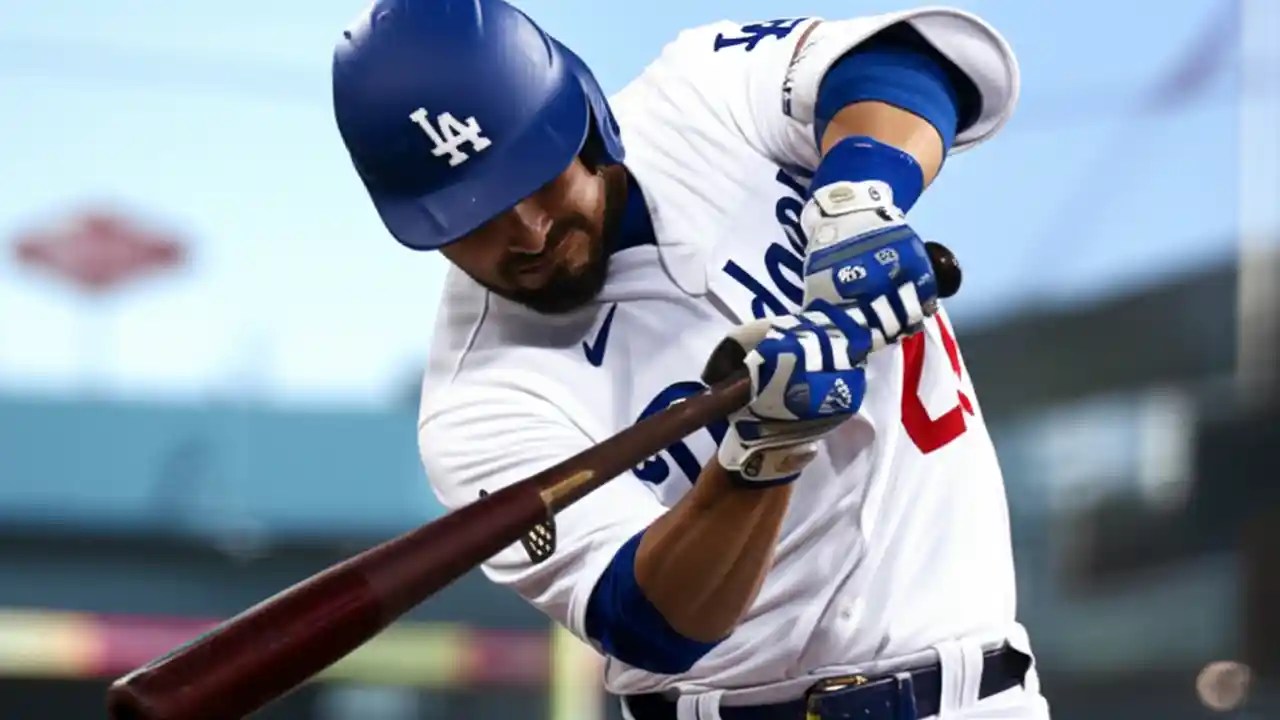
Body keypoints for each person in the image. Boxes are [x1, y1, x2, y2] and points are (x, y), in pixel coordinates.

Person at [332, 1, 1047, 718]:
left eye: (534, 177)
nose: (530, 232)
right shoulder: (477, 408)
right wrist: (761, 456)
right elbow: (653, 624)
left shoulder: (702, 95)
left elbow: (917, 59)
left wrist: (858, 199)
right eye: (476, 216)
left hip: (982, 693)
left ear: (583, 121)